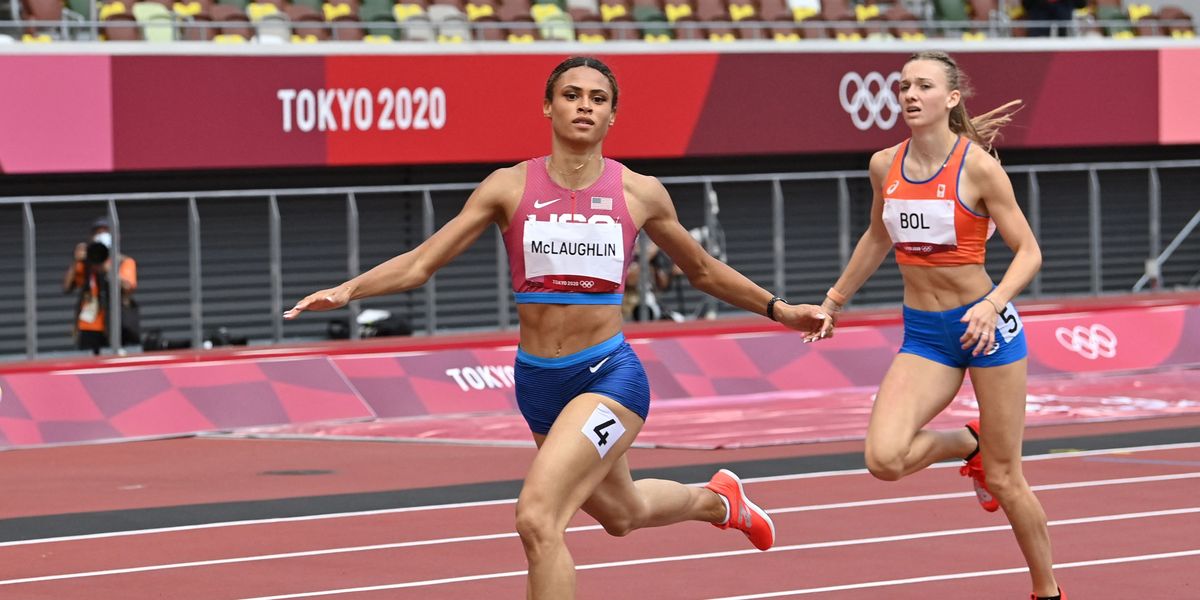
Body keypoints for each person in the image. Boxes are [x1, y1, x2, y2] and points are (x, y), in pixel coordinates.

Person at [285, 56, 827, 599]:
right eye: (571, 95)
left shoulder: (639, 193)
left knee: (539, 519)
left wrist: (780, 310)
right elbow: (423, 262)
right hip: (539, 382)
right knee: (622, 512)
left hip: (609, 379)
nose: (584, 105)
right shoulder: (508, 186)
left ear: (613, 116)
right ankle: (719, 501)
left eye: (598, 98)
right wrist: (349, 289)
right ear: (548, 106)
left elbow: (703, 271)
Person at [811, 51, 1065, 600]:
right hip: (926, 334)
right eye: (903, 86)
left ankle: (1047, 590)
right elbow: (878, 236)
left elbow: (1028, 252)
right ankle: (968, 444)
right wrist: (833, 301)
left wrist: (993, 302)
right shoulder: (885, 164)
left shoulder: (977, 167)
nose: (908, 94)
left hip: (987, 330)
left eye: (923, 85)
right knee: (884, 459)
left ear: (950, 99)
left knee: (1005, 477)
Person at [63, 217, 139, 354]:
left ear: (116, 236)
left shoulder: (124, 262)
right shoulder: (87, 262)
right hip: (89, 326)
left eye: (105, 232)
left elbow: (128, 287)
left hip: (116, 324)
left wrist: (107, 268)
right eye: (97, 232)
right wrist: (75, 261)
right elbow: (67, 287)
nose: (101, 235)